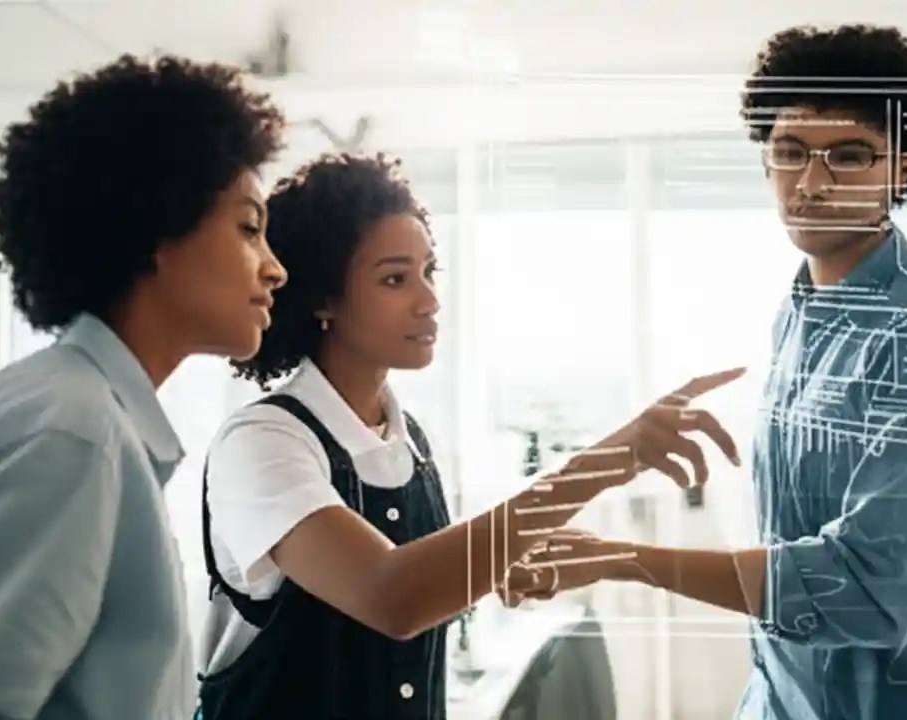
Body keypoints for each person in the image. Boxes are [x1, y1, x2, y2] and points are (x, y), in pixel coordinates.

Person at [520, 24, 907, 720]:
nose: (810, 183)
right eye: (789, 152)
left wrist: (621, 557)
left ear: (902, 167)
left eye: (847, 156)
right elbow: (788, 578)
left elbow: (863, 591)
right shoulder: (797, 318)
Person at [195, 151, 744, 719]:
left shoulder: (412, 443)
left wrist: (494, 572)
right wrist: (605, 463)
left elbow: (426, 581)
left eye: (429, 272)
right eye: (394, 279)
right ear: (323, 299)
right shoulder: (262, 442)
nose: (429, 301)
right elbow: (392, 595)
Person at [0, 55, 288, 718]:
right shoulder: (67, 431)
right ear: (159, 226)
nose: (273, 268)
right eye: (248, 228)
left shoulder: (79, 413)